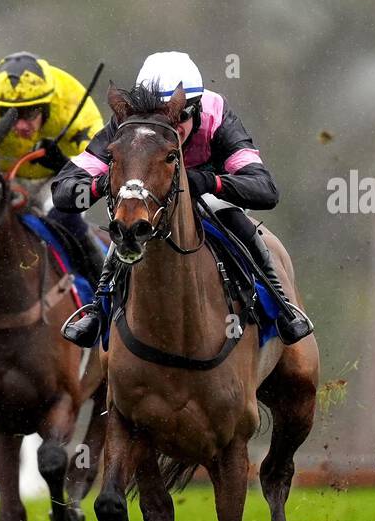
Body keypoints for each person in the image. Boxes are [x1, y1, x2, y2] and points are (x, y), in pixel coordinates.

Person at [53, 50, 313, 347]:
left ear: (197, 107)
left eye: (181, 116)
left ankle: (281, 305)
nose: (172, 127)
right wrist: (107, 183)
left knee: (236, 220)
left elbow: (265, 189)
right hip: (152, 202)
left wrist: (207, 181)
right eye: (159, 116)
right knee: (121, 228)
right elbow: (64, 190)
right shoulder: (127, 124)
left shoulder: (216, 113)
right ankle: (97, 311)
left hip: (207, 197)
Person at [0, 51, 106, 279]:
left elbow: (101, 170)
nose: (20, 125)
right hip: (4, 179)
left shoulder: (73, 103)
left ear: (47, 107)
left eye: (29, 113)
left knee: (62, 218)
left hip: (58, 179)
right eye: (10, 114)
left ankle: (103, 287)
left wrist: (62, 163)